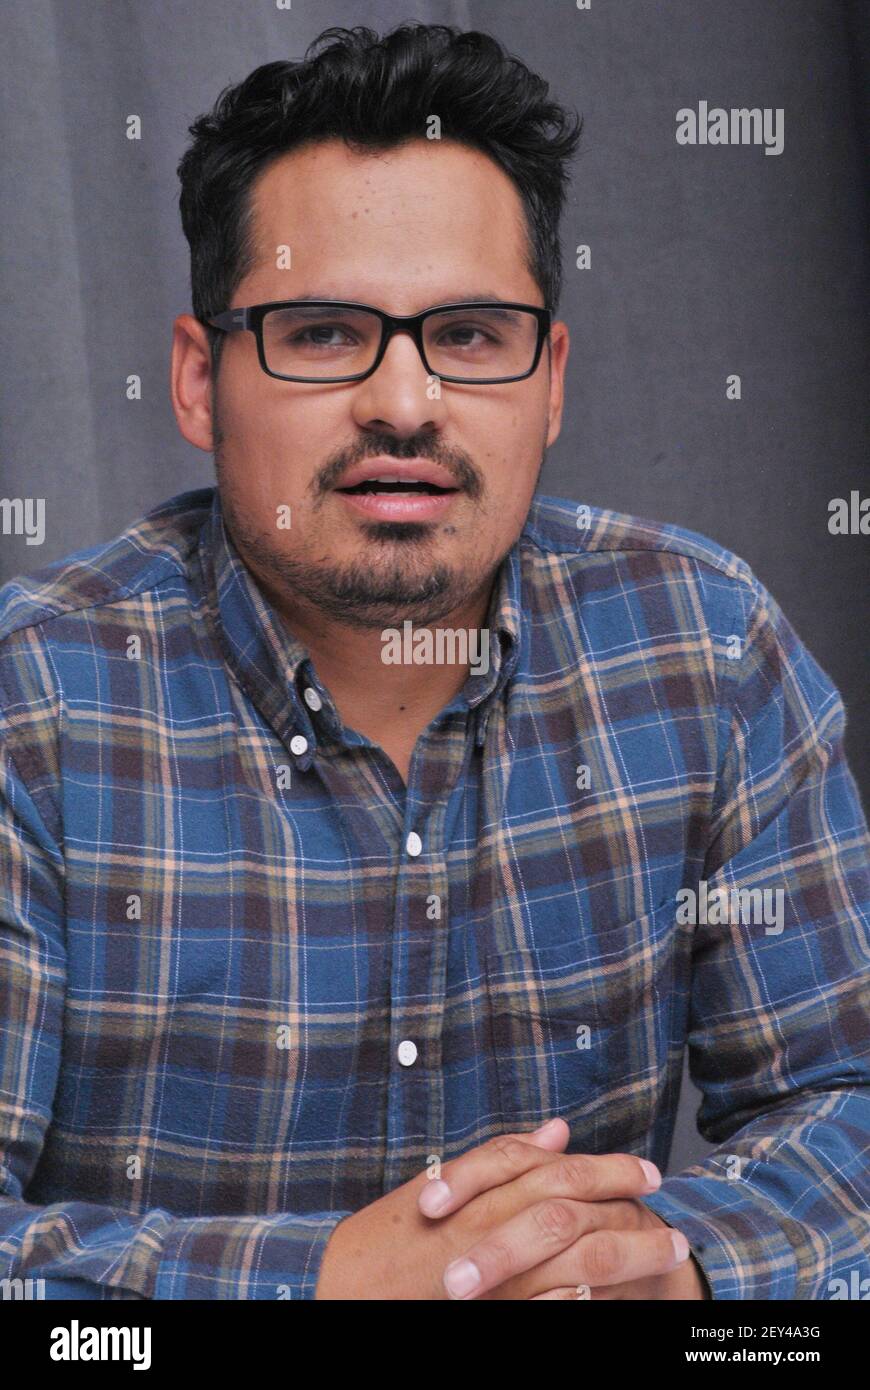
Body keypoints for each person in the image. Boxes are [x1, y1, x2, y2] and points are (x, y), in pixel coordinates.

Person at [0, 23, 867, 1302]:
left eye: (467, 335)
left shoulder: (705, 650)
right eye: (320, 329)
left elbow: (849, 1101)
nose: (404, 402)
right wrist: (321, 1290)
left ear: (551, 382)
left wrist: (677, 1275)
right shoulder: (36, 709)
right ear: (199, 381)